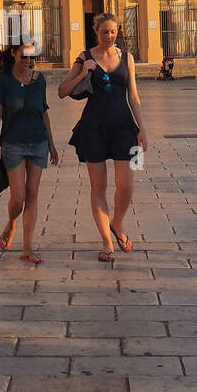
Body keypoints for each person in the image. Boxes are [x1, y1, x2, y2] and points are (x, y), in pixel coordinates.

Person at [58, 13, 147, 263]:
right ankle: (107, 243)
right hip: (93, 128)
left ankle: (116, 223)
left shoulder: (127, 58)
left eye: (113, 32)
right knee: (99, 188)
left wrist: (143, 128)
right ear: (96, 31)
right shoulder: (84, 57)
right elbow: (62, 91)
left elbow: (134, 97)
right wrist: (82, 72)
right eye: (105, 32)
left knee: (127, 186)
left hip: (125, 128)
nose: (109, 36)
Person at [0, 40, 59, 264]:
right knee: (17, 198)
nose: (29, 61)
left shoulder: (40, 81)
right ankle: (11, 222)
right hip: (12, 144)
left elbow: (44, 113)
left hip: (38, 142)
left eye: (32, 57)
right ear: (14, 53)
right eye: (25, 56)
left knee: (32, 196)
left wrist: (52, 144)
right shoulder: (3, 80)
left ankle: (27, 247)